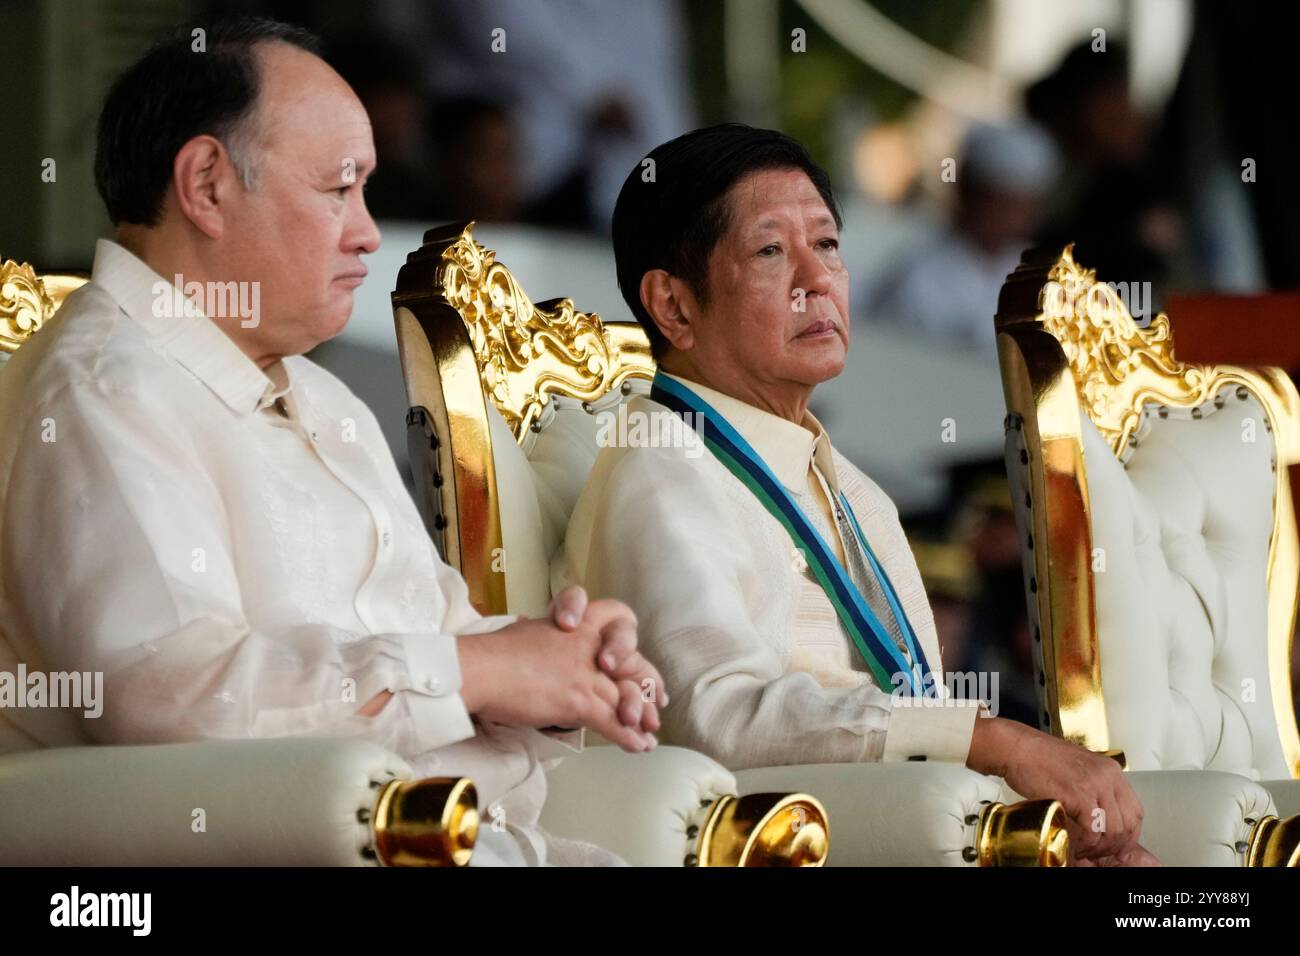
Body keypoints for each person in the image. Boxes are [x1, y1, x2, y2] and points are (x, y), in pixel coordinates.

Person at [0, 17, 664, 867]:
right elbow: (168, 696)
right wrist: (480, 674)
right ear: (205, 184)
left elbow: (448, 639)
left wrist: (562, 671)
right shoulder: (103, 389)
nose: (364, 232)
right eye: (338, 189)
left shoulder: (324, 398)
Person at [554, 123, 1158, 866]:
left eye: (829, 246)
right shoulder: (660, 466)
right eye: (772, 250)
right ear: (674, 306)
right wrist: (987, 739)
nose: (819, 280)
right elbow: (714, 714)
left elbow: (915, 726)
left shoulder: (855, 491)